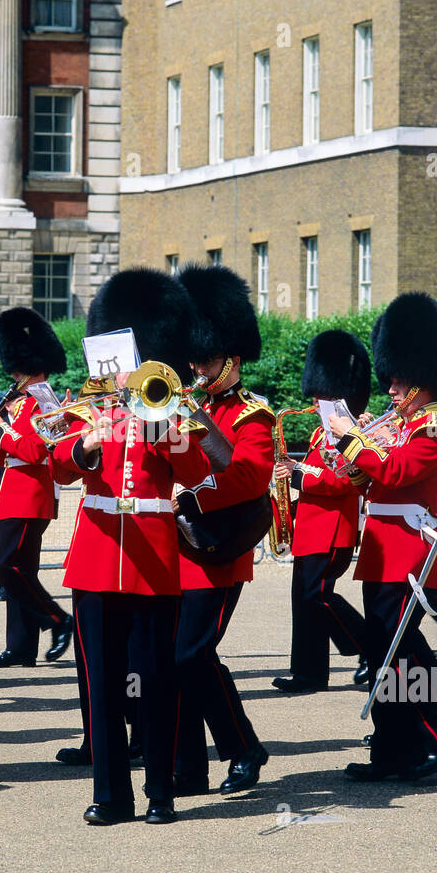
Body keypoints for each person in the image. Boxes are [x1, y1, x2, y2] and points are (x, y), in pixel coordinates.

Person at [50, 268, 213, 825]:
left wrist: (168, 432)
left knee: (158, 680)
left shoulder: (171, 408)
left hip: (154, 558)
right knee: (101, 683)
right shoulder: (89, 406)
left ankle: (160, 792)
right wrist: (86, 446)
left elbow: (199, 473)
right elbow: (57, 464)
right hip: (96, 557)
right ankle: (111, 794)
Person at [328, 292, 437, 784]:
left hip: (410, 548)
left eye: (399, 382)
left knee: (397, 647)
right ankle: (392, 746)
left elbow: (394, 472)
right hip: (383, 547)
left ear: (422, 381)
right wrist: (352, 453)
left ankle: (433, 726)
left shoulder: (436, 429)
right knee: (384, 649)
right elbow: (371, 481)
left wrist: (354, 440)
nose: (390, 390)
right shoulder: (406, 427)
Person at [170, 264, 272, 795]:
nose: (198, 368)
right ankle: (188, 767)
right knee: (176, 659)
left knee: (193, 654)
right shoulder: (185, 406)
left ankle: (242, 747)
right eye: (195, 359)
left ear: (232, 358)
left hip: (218, 550)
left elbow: (248, 477)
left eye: (207, 360)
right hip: (175, 549)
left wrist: (191, 493)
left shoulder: (253, 415)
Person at [272, 330, 371, 695]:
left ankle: (368, 645)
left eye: (322, 395)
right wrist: (287, 498)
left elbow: (342, 482)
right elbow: (317, 476)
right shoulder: (318, 436)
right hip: (311, 531)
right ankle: (308, 674)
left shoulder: (353, 435)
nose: (314, 401)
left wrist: (297, 475)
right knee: (304, 603)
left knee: (318, 597)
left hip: (333, 531)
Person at [0, 308, 72, 668]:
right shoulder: (24, 403)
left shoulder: (46, 402)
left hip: (30, 497)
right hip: (14, 495)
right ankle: (21, 647)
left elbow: (35, 452)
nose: (13, 377)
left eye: (18, 371)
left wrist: (2, 431)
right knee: (21, 573)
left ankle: (59, 620)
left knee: (8, 570)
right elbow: (13, 457)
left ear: (34, 367)